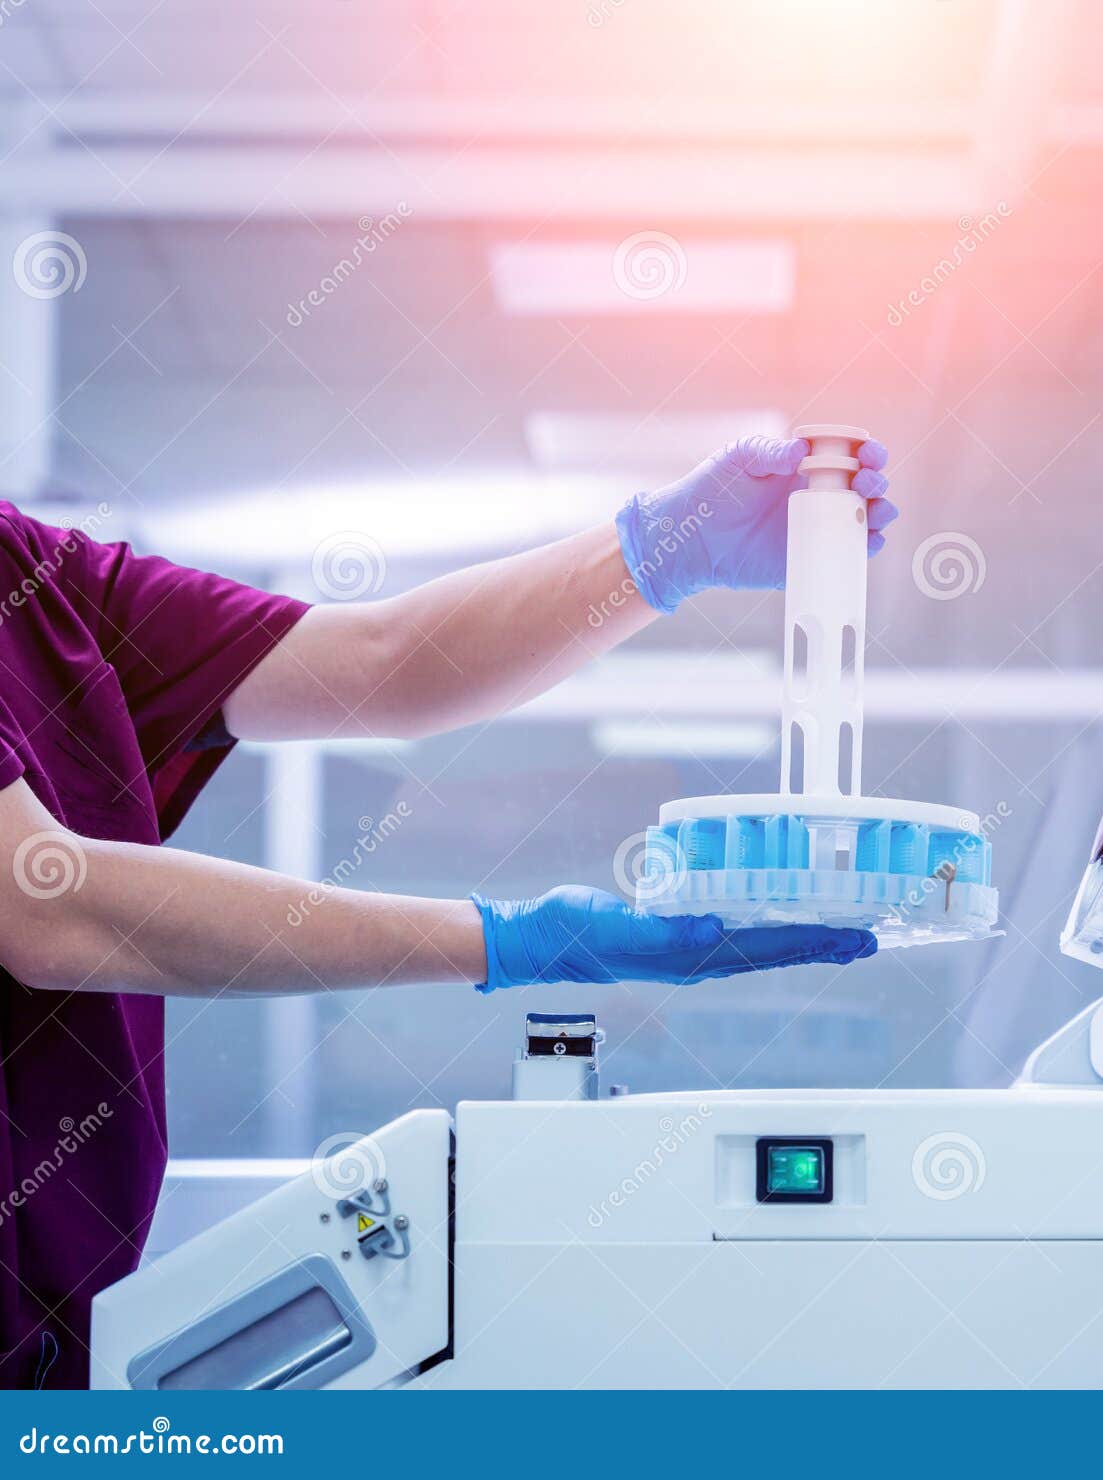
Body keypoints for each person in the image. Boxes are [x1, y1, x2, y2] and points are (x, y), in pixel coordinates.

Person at [0, 432, 897, 1389]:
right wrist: (512, 941)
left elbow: (380, 663)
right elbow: (47, 906)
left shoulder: (30, 574)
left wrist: (656, 552)